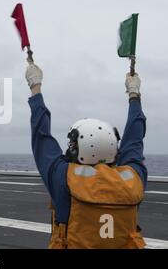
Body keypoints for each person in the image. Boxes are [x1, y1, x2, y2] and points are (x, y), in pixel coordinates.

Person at [25, 59, 147, 249]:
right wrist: (134, 94)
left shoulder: (63, 177)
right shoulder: (135, 178)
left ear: (77, 149)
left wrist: (35, 87)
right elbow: (134, 140)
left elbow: (41, 137)